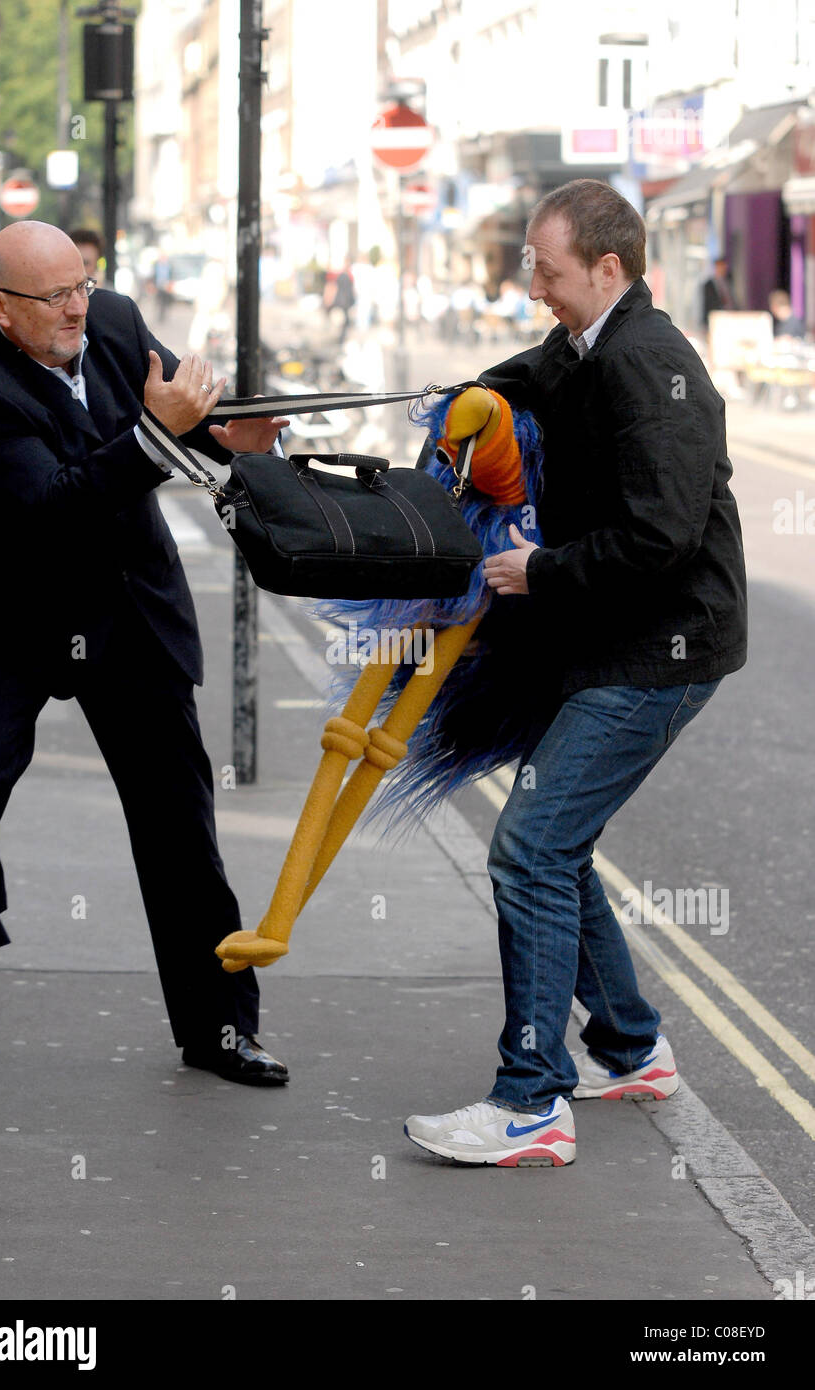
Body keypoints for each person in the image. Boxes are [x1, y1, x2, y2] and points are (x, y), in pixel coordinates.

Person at [404, 179, 747, 1167]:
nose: (535, 292)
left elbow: (664, 537)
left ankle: (530, 1101)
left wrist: (540, 570)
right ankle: (632, 1048)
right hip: (620, 640)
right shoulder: (590, 344)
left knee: (529, 849)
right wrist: (466, 405)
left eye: (548, 274)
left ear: (608, 267)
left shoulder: (651, 366)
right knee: (558, 842)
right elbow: (527, 376)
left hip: (662, 649)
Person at [0, 221, 290, 1086]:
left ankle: (218, 1028)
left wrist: (243, 437)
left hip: (127, 612)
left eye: (83, 284)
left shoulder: (117, 322)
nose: (77, 308)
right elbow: (57, 505)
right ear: (0, 308)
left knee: (180, 826)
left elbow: (192, 418)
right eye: (55, 296)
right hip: (13, 619)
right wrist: (152, 437)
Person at [701, 255, 737, 325]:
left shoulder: (729, 281)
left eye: (723, 266)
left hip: (731, 316)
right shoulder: (708, 285)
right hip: (716, 318)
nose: (721, 269)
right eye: (719, 266)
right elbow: (709, 304)